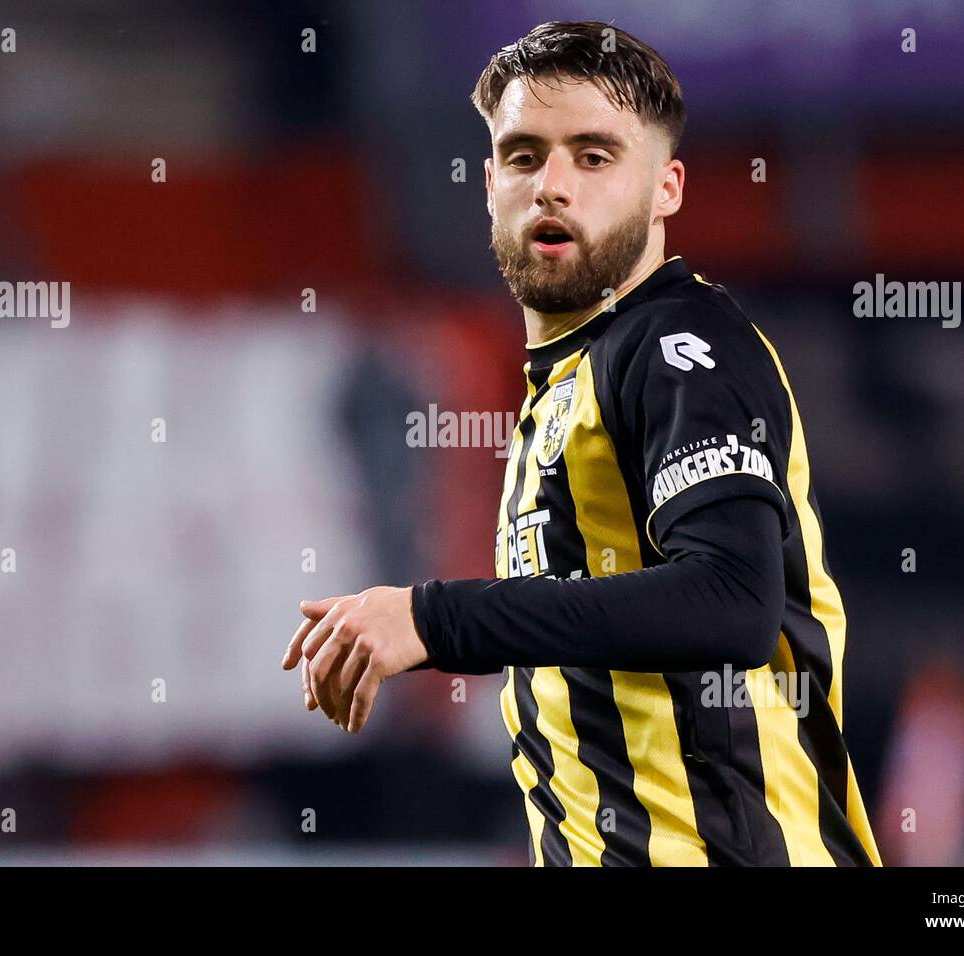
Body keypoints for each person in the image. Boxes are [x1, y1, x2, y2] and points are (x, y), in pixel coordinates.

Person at [282, 20, 882, 867]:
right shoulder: (567, 383)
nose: (552, 185)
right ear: (489, 183)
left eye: (594, 157)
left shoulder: (681, 345)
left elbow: (732, 601)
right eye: (525, 157)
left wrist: (433, 617)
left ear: (666, 188)